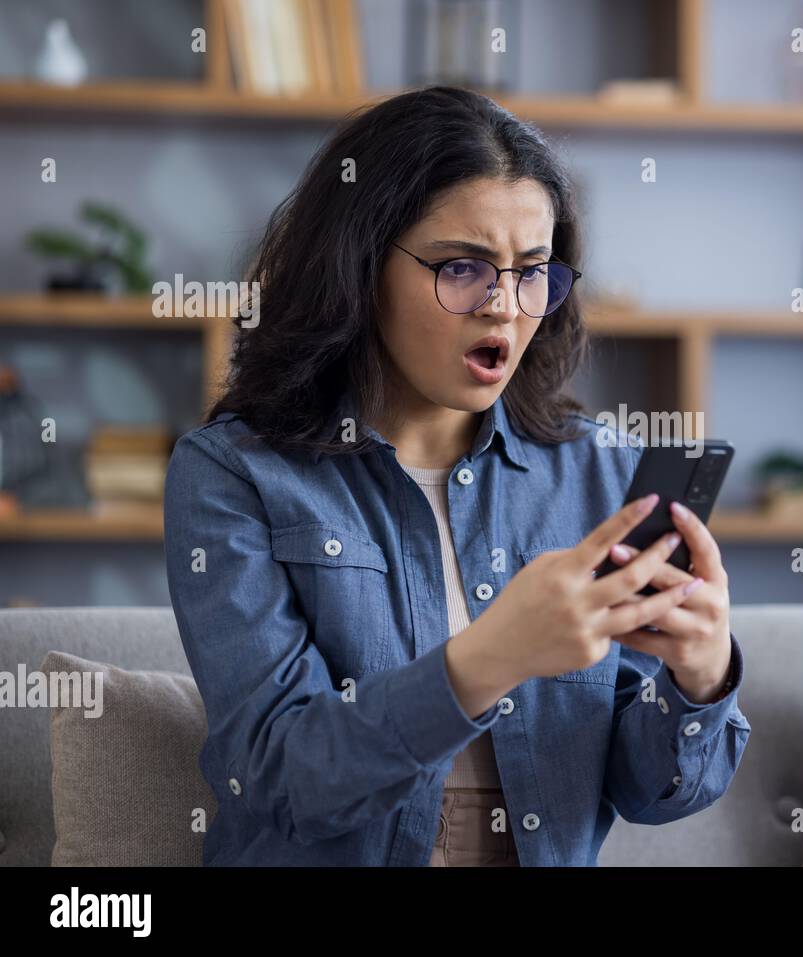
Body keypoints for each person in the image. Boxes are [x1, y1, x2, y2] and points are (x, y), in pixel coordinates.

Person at [162, 85, 750, 867]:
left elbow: (650, 792)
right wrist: (494, 653)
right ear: (361, 267)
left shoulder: (600, 472)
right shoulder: (234, 474)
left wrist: (700, 674)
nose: (503, 306)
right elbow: (278, 778)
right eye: (463, 267)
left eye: (532, 270)